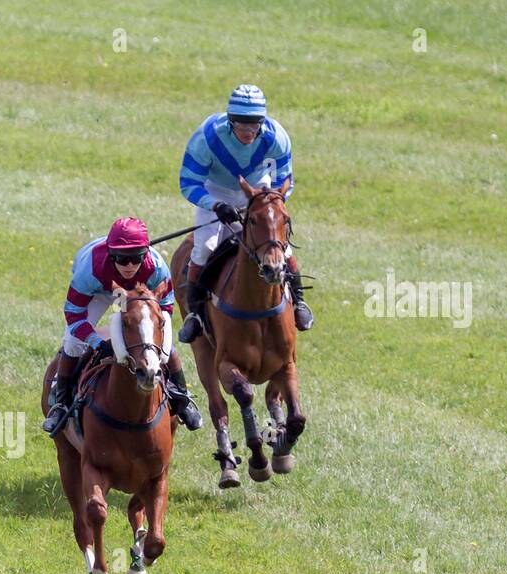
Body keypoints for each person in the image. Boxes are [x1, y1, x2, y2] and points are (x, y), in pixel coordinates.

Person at [176, 83, 313, 344]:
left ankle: (299, 303)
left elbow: (286, 180)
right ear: (230, 121)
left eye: (254, 125)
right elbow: (188, 183)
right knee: (204, 247)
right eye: (241, 125)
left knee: (278, 248)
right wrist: (216, 205)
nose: (249, 132)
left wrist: (266, 203)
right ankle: (194, 314)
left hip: (259, 189)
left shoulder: (277, 138)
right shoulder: (207, 138)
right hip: (215, 192)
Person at [42, 217, 201, 435]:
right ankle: (60, 403)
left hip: (139, 294)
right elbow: (74, 314)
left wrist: (156, 333)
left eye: (136, 259)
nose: (129, 266)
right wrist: (96, 342)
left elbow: (166, 306)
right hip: (99, 290)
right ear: (110, 253)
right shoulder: (90, 270)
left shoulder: (157, 269)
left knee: (163, 344)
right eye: (121, 259)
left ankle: (182, 396)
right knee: (72, 342)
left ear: (145, 254)